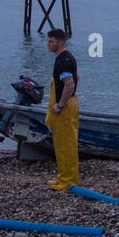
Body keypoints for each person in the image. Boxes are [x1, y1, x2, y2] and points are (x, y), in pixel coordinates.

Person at [45, 28, 80, 190]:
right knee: (60, 144)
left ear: (61, 42)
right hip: (67, 104)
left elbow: (70, 83)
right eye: (48, 41)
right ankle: (62, 177)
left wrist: (60, 104)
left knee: (67, 144)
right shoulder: (63, 58)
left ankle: (69, 181)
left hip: (65, 107)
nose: (48, 44)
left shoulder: (64, 60)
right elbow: (76, 76)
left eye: (51, 41)